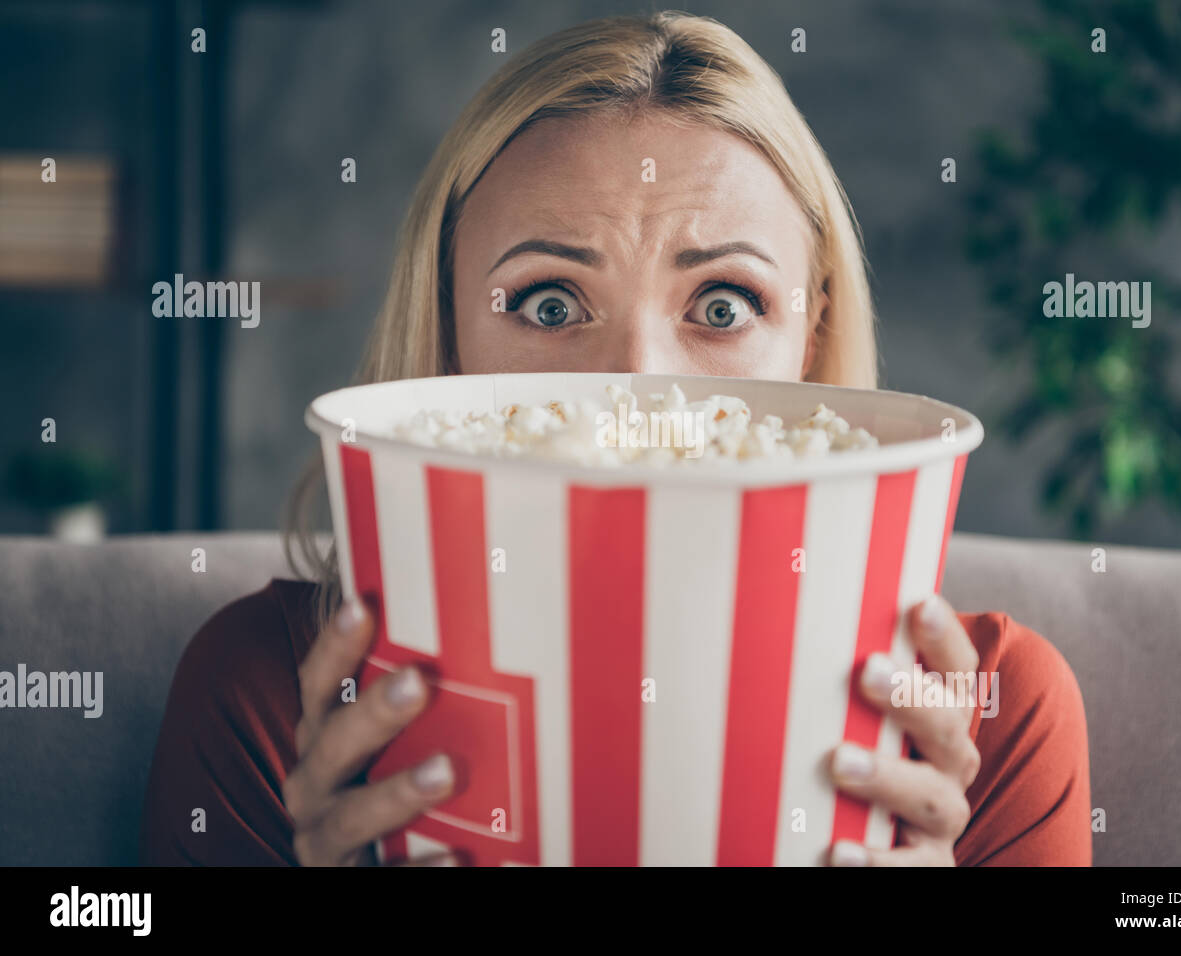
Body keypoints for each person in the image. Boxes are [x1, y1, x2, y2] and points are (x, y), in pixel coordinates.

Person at [139, 11, 1090, 867]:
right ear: (449, 340)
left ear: (811, 339)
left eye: (722, 304)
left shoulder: (992, 725)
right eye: (550, 303)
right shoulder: (274, 698)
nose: (634, 384)